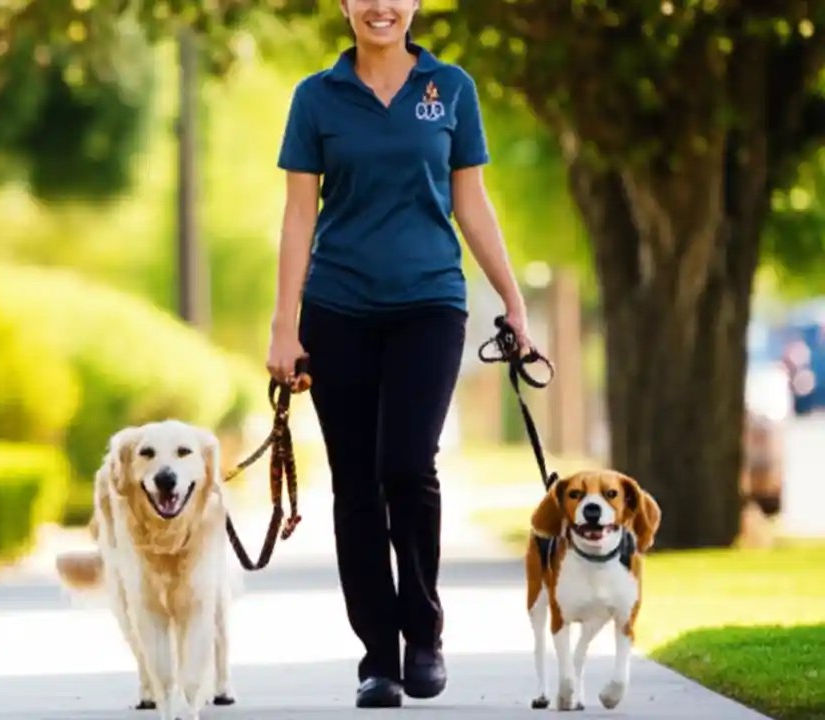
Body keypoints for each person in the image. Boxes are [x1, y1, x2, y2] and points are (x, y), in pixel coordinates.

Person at [265, 0, 535, 709]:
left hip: (429, 303)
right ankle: (377, 657)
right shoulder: (315, 98)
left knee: (407, 465)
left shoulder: (451, 88)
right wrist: (282, 327)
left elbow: (470, 202)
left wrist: (512, 298)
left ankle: (424, 634)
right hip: (337, 309)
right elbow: (299, 216)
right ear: (346, 6)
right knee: (354, 484)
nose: (380, 7)